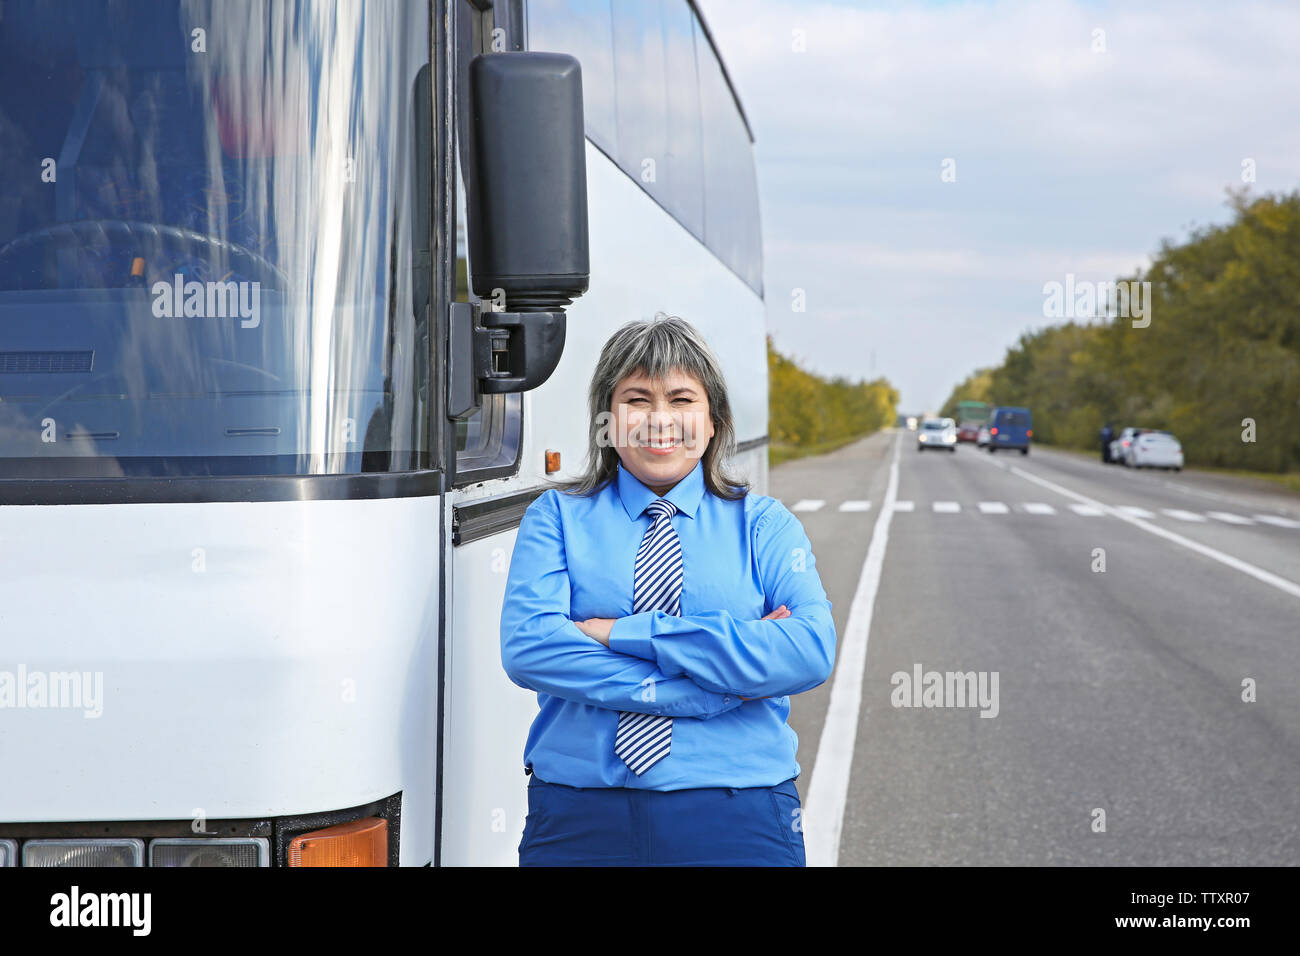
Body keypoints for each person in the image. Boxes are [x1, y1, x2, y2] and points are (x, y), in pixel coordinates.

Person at [499, 315, 837, 866]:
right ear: (607, 419)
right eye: (637, 399)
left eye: (682, 399)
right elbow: (531, 649)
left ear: (713, 421)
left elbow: (808, 650)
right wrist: (712, 689)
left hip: (740, 813)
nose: (660, 420)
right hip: (580, 816)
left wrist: (627, 634)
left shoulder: (764, 524)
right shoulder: (556, 517)